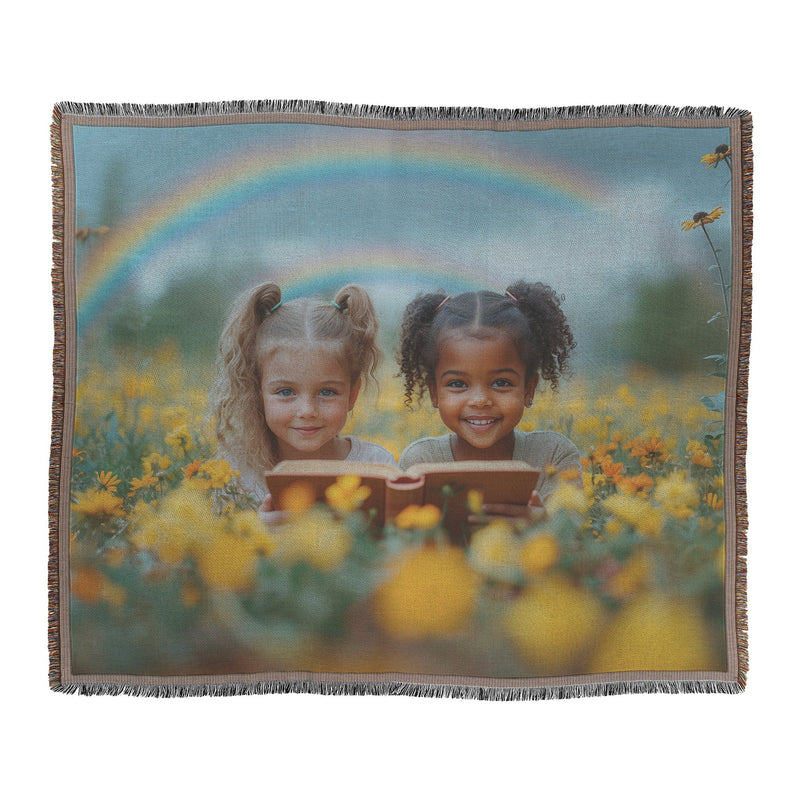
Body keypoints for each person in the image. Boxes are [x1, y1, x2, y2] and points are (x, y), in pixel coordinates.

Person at [397, 280, 580, 519]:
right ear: (434, 392)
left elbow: (576, 542)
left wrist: (542, 524)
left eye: (501, 383)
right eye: (458, 384)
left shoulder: (554, 456)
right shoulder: (420, 462)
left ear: (529, 388)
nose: (480, 400)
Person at [210, 281, 396, 510]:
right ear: (257, 394)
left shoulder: (377, 467)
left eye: (327, 392)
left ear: (352, 395)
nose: (307, 411)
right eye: (285, 392)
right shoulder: (235, 474)